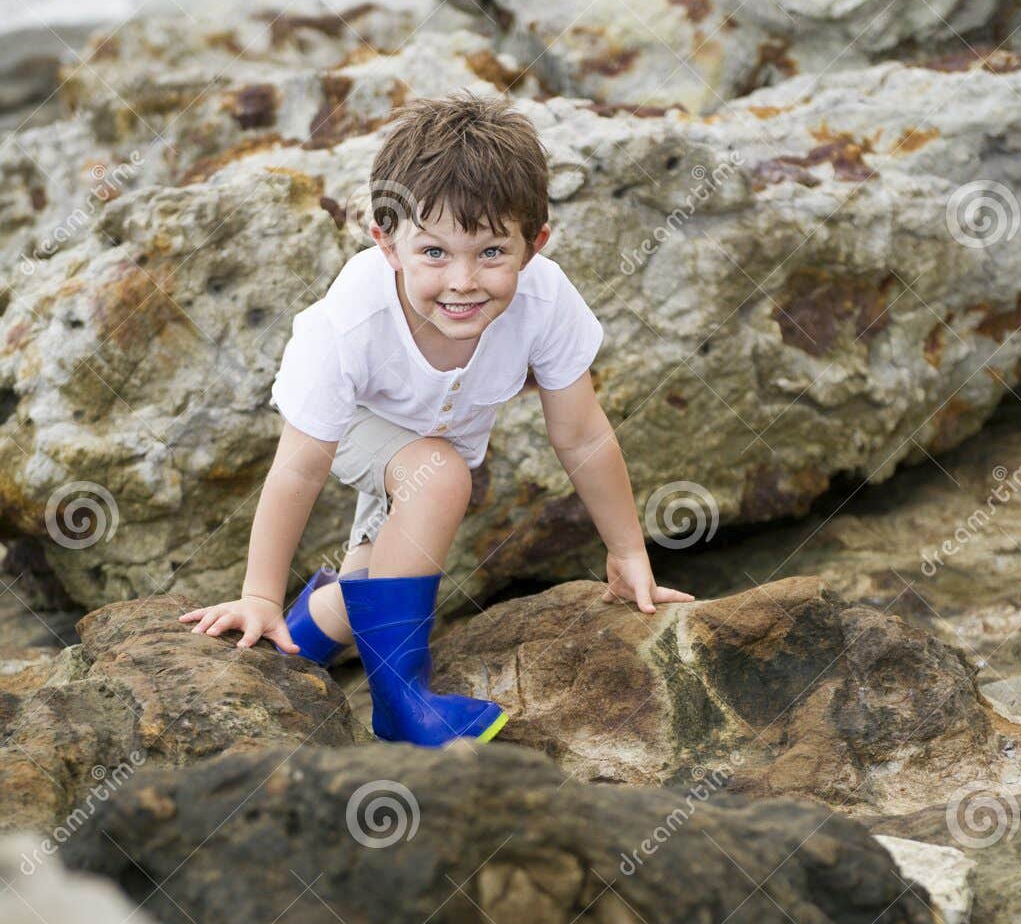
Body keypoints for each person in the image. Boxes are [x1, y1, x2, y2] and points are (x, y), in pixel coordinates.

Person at [179, 89, 693, 746]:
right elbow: (299, 469)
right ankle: (401, 702)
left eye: (490, 253)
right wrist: (256, 593)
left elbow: (581, 433)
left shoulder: (545, 299)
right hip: (348, 429)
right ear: (386, 243)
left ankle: (293, 651)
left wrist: (626, 551)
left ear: (533, 245)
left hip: (436, 443)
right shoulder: (350, 324)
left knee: (374, 574)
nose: (461, 281)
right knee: (441, 474)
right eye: (433, 253)